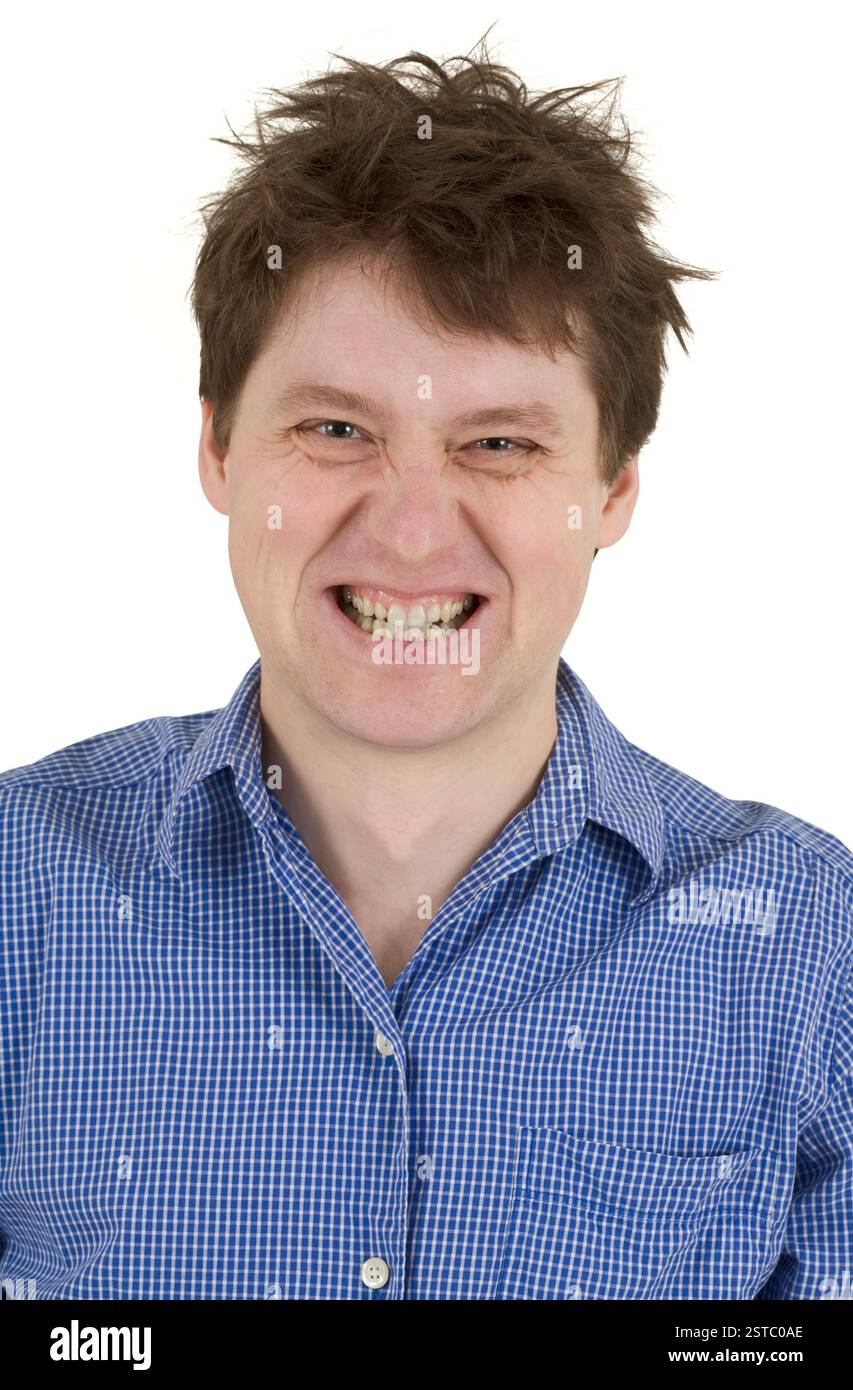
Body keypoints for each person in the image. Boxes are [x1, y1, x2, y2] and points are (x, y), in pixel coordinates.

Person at [1, 40, 850, 1302]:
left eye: (498, 442)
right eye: (335, 428)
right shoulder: (18, 891)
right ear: (221, 452)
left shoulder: (814, 948)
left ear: (610, 490)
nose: (409, 530)